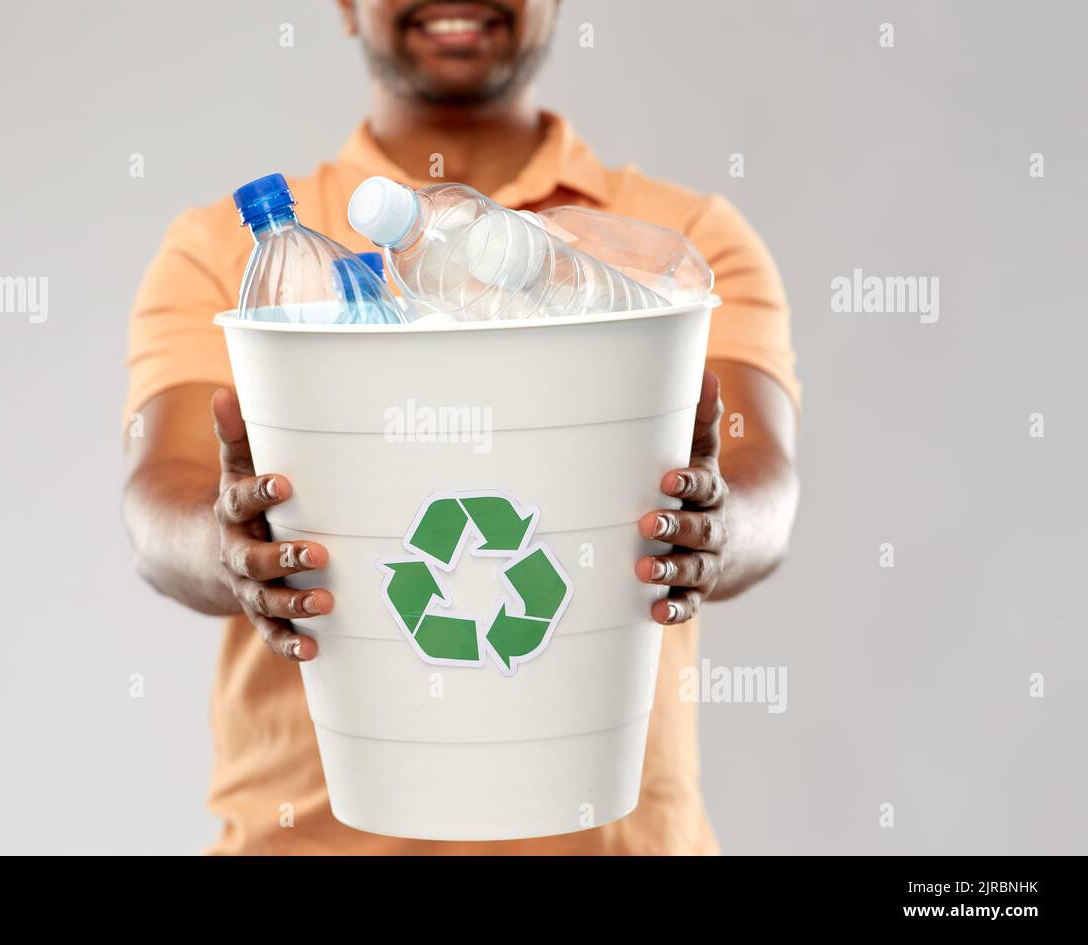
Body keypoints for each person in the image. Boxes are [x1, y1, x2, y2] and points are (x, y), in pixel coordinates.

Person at [122, 0, 799, 854]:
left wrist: (715, 526)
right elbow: (160, 503)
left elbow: (764, 487)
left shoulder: (679, 241)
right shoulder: (223, 248)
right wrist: (227, 543)